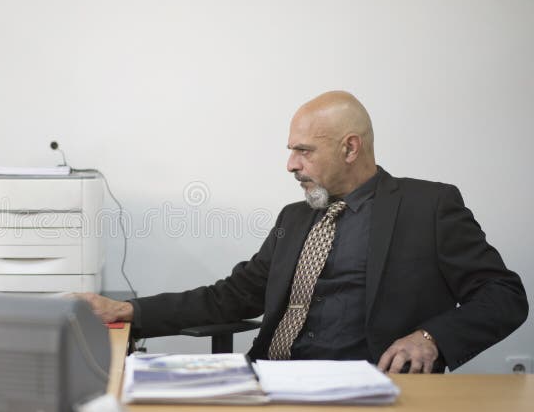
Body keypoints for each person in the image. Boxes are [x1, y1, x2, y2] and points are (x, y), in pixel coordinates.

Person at [77, 91, 528, 373]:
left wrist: (430, 338)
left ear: (351, 148)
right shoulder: (295, 217)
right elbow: (230, 297)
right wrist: (126, 309)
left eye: (303, 151)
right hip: (266, 379)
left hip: (361, 390)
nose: (290, 164)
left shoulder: (427, 207)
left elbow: (504, 296)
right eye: (291, 151)